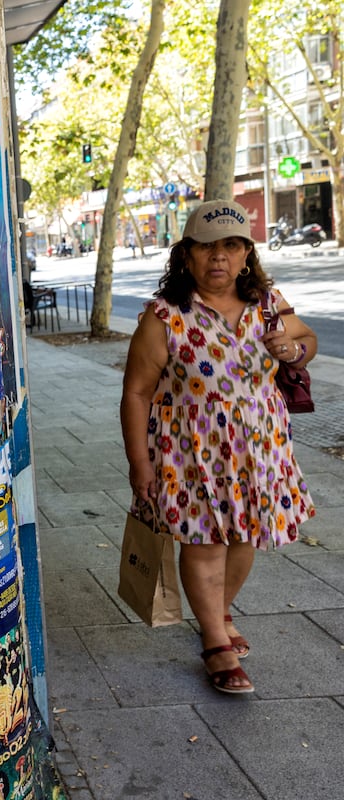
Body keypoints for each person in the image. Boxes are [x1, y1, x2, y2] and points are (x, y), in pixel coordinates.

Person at [120, 199, 317, 695]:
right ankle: (214, 640)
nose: (219, 258)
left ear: (247, 254)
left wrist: (292, 350)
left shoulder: (269, 303)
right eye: (206, 247)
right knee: (206, 541)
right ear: (185, 256)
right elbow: (137, 392)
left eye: (231, 246)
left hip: (261, 447)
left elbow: (306, 340)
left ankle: (218, 609)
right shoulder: (165, 317)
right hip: (191, 451)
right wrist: (138, 463)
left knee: (245, 536)